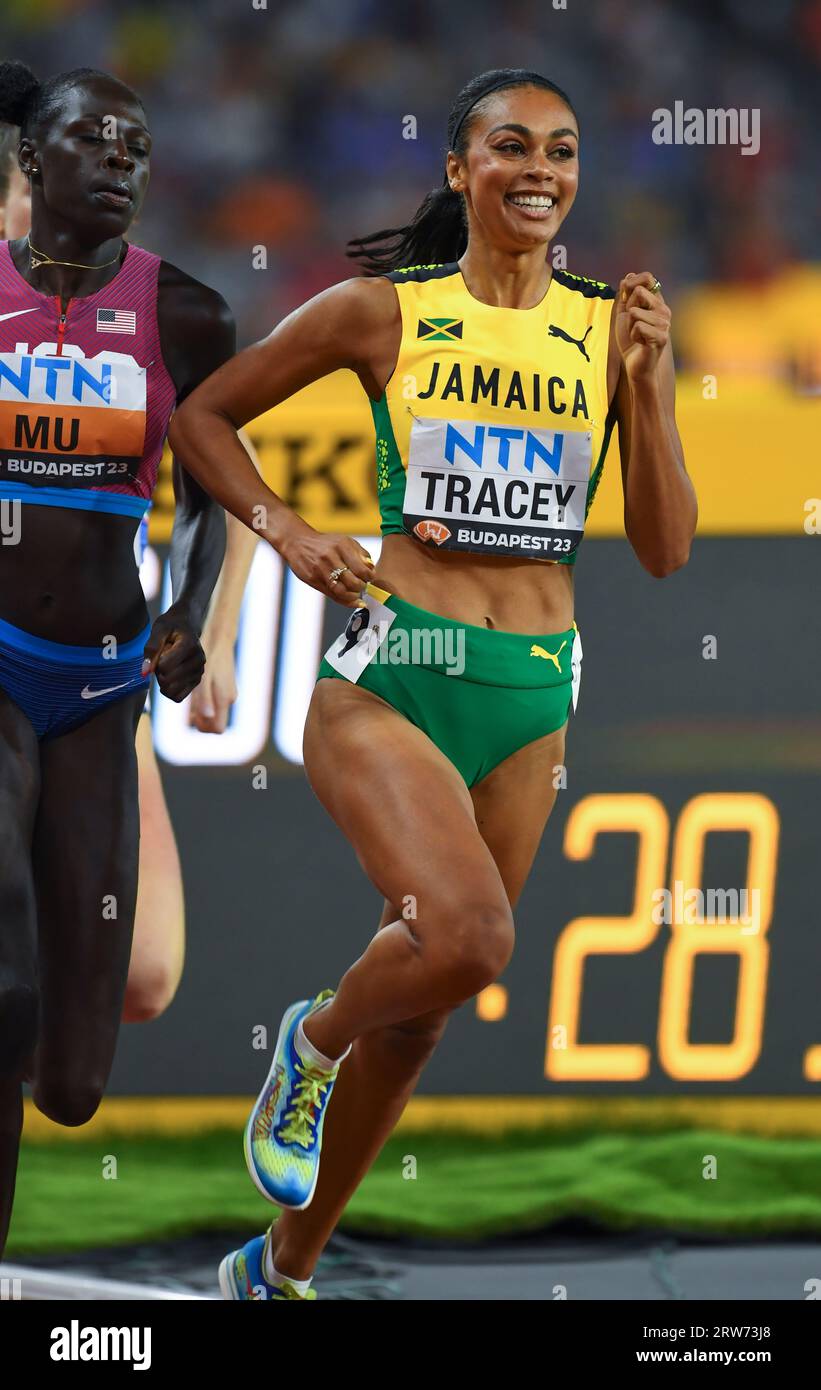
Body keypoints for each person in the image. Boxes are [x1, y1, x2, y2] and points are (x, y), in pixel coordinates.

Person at [168, 67, 697, 1301]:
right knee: (470, 936)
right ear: (460, 171)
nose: (540, 172)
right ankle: (310, 1038)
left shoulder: (602, 323)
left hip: (533, 691)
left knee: (433, 1001)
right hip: (391, 676)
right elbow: (204, 418)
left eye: (561, 153)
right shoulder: (378, 313)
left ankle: (280, 1267)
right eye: (510, 148)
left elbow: (666, 551)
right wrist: (291, 533)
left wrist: (653, 380)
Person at [0, 59, 234, 1257]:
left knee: (74, 1077)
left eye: (138, 145)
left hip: (97, 683)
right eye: (95, 141)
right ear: (30, 167)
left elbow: (215, 494)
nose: (125, 162)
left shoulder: (185, 314)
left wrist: (193, 615)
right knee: (4, 982)